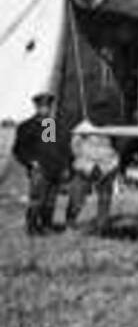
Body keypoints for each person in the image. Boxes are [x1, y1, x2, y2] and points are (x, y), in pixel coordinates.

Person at [11, 92, 71, 235]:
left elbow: (63, 147)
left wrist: (65, 166)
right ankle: (31, 227)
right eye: (42, 107)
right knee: (37, 199)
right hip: (39, 169)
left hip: (55, 168)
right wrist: (30, 162)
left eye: (47, 107)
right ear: (36, 107)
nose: (45, 110)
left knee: (51, 201)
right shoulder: (26, 126)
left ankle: (46, 225)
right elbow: (18, 149)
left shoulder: (55, 126)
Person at [67, 99, 122, 233]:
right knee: (77, 196)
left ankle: (102, 226)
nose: (101, 115)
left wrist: (113, 162)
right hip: (85, 166)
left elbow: (117, 145)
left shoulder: (111, 126)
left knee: (104, 198)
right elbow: (75, 147)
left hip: (107, 166)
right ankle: (70, 223)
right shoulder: (82, 127)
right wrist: (86, 164)